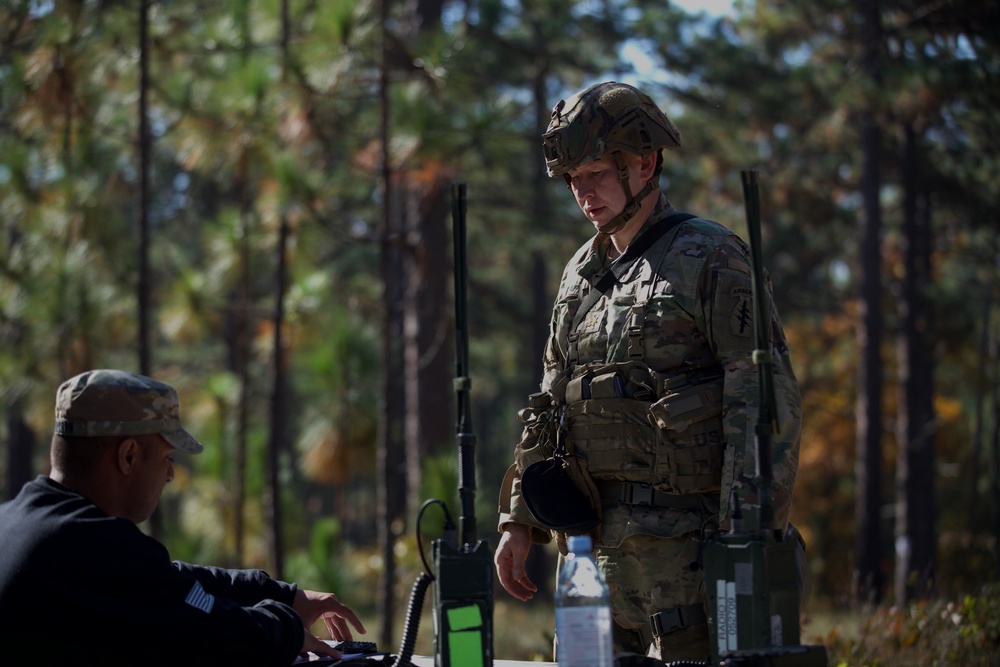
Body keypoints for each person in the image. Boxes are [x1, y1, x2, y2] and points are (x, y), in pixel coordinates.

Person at [494, 81, 802, 662]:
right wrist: (518, 521)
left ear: (645, 163)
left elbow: (763, 400)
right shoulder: (579, 274)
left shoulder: (711, 256)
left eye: (597, 174)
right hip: (590, 556)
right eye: (573, 181)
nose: (584, 194)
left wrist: (746, 538)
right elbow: (548, 402)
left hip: (687, 557)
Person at [0, 369, 367, 667]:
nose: (171, 475)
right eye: (166, 459)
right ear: (128, 456)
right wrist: (285, 628)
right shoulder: (92, 546)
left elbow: (167, 581)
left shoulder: (20, 523)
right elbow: (217, 635)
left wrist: (284, 596)